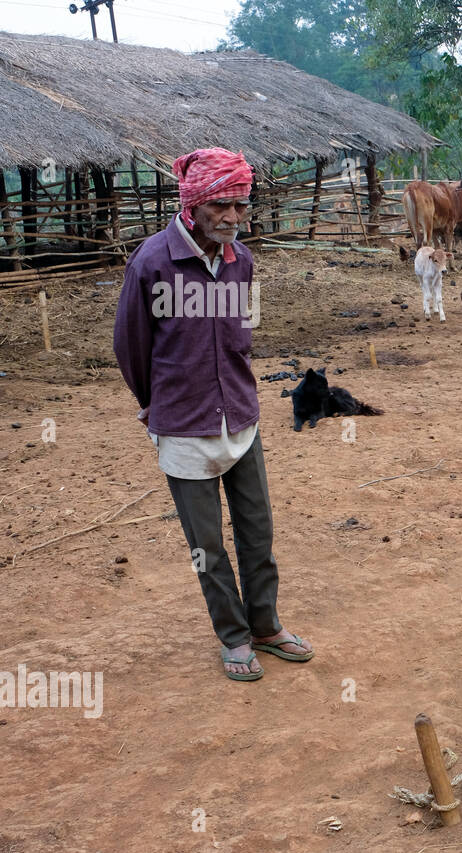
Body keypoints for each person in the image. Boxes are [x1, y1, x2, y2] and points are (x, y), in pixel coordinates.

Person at [113, 147, 313, 681]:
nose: (231, 218)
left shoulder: (241, 262)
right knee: (206, 545)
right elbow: (131, 347)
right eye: (220, 206)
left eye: (240, 207)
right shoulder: (153, 262)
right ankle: (233, 635)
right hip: (182, 425)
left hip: (241, 417)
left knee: (258, 531)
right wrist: (154, 404)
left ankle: (266, 625)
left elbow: (241, 336)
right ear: (194, 203)